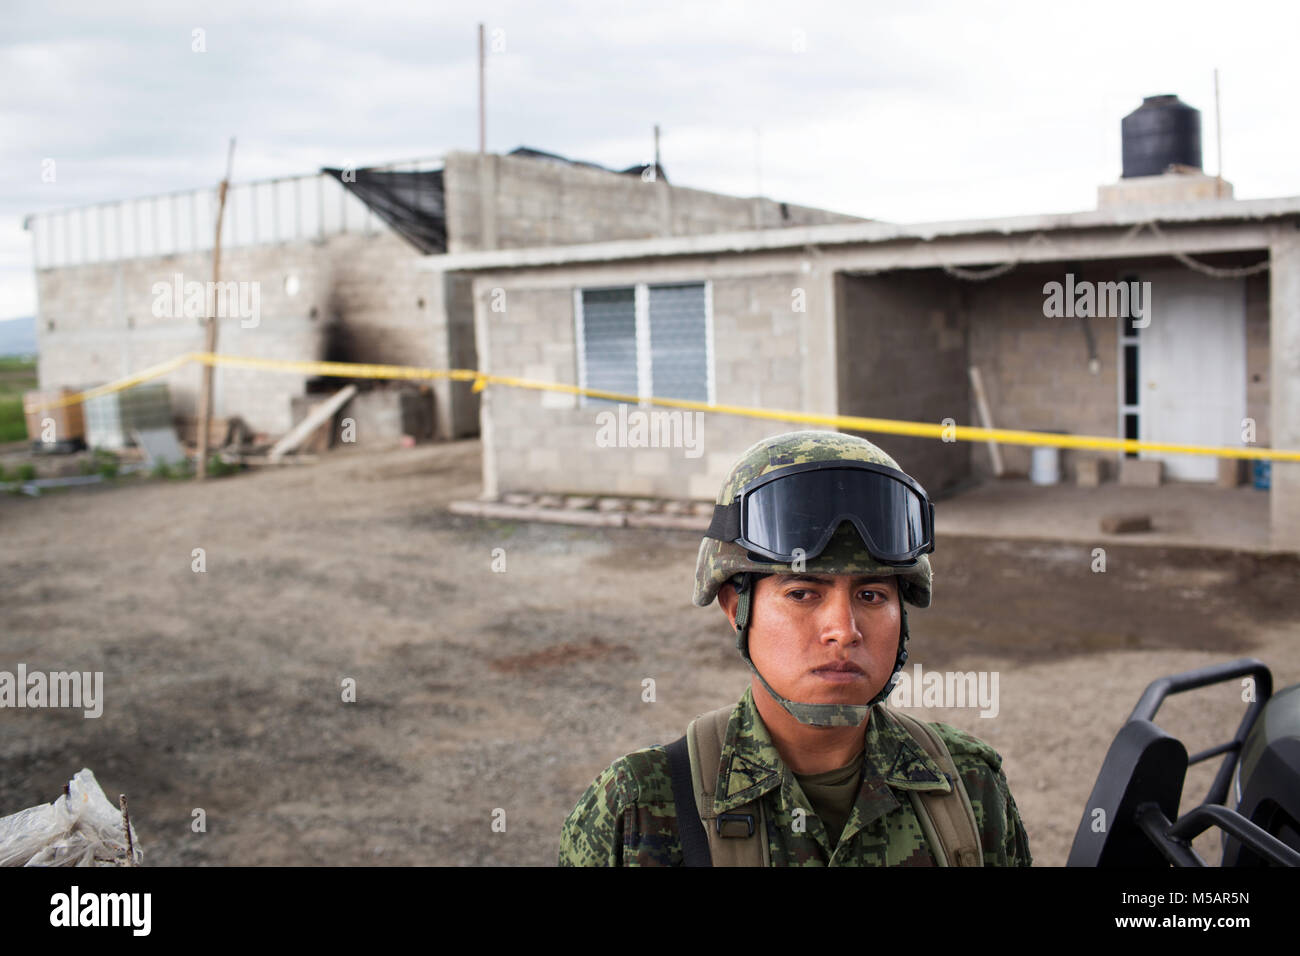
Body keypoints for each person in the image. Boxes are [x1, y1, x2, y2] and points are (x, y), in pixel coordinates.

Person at [558, 430, 1032, 866]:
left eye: (872, 596)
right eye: (803, 593)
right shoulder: (640, 810)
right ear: (735, 607)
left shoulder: (970, 789)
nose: (843, 631)